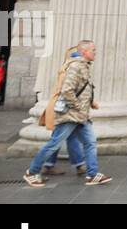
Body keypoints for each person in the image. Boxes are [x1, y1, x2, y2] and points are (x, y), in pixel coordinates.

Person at [23, 40, 111, 186]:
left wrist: (89, 103)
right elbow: (67, 90)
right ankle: (32, 172)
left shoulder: (84, 66)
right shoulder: (76, 66)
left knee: (90, 142)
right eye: (93, 50)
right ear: (84, 52)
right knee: (53, 144)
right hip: (70, 115)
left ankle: (92, 174)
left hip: (80, 116)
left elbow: (81, 89)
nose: (95, 53)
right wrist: (78, 106)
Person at [40, 46, 88, 178]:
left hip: (62, 106)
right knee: (63, 136)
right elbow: (67, 91)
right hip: (64, 107)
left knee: (62, 135)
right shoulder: (70, 70)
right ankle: (78, 165)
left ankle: (50, 164)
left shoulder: (66, 68)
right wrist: (78, 105)